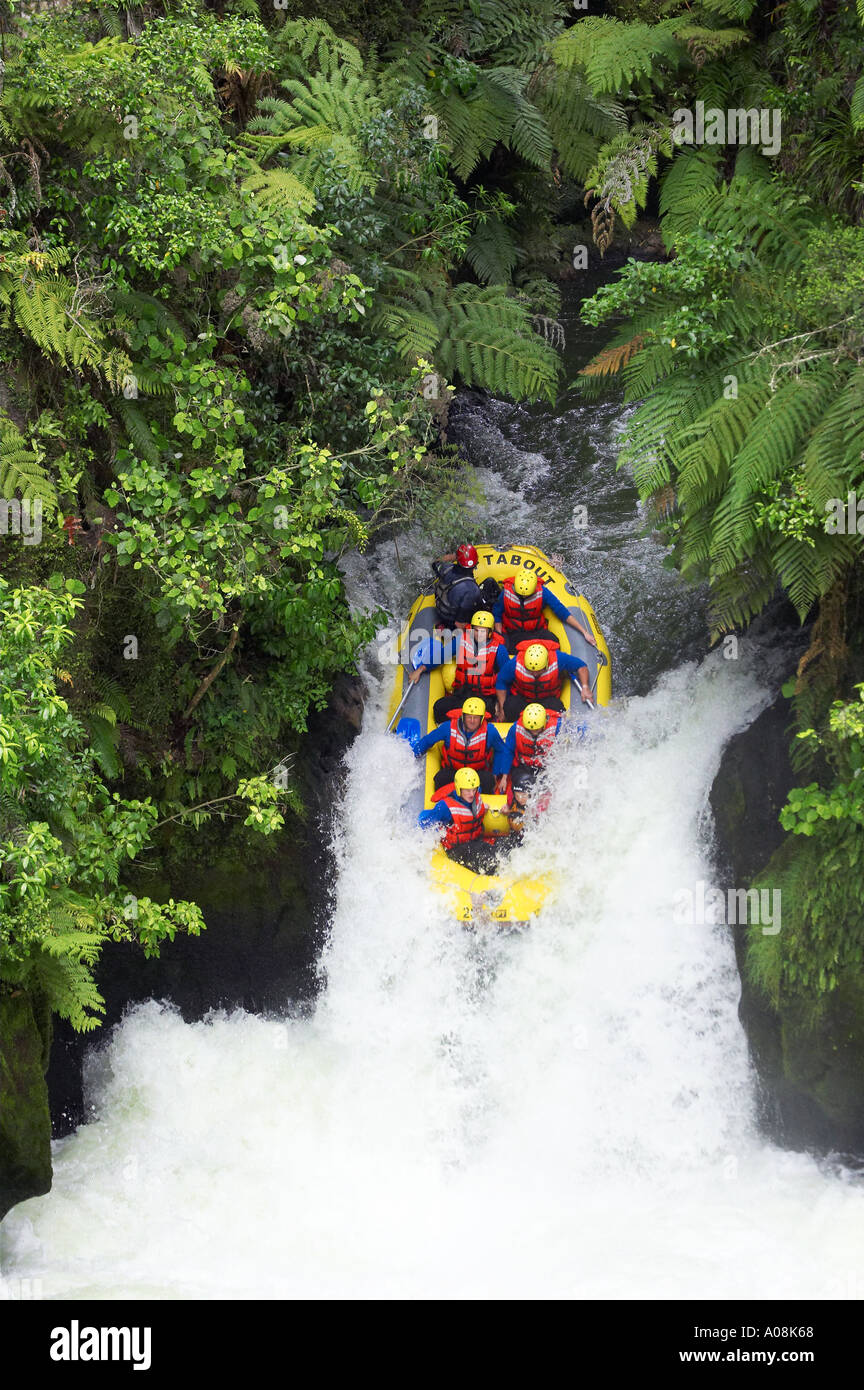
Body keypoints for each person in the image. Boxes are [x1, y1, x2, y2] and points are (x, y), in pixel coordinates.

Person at [409, 610, 508, 720]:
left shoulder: (499, 649)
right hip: (462, 693)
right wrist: (421, 669)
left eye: (483, 631)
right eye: (476, 630)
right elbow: (441, 656)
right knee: (439, 708)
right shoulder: (461, 640)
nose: (478, 634)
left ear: (490, 632)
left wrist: (501, 705)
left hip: (485, 697)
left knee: (481, 716)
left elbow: (505, 679)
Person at [411, 696, 507, 793]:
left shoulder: (490, 731)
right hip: (454, 771)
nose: (472, 721)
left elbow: (501, 750)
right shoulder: (447, 727)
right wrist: (412, 757)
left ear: (482, 718)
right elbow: (428, 740)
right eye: (469, 716)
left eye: (476, 717)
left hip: (477, 773)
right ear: (463, 716)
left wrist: (495, 773)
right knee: (440, 779)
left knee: (488, 781)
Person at [493, 568, 598, 653]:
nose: (523, 597)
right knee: (503, 650)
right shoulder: (506, 593)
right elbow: (497, 615)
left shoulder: (543, 592)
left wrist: (584, 632)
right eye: (520, 595)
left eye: (526, 596)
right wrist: (499, 635)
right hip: (513, 633)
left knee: (554, 643)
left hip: (535, 632)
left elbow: (562, 612)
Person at [418, 766, 498, 874]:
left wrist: (483, 807)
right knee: (487, 859)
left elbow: (473, 811)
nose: (471, 794)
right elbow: (424, 821)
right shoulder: (445, 807)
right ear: (458, 788)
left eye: (474, 789)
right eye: (468, 790)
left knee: (499, 850)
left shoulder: (476, 794)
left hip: (475, 840)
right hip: (456, 848)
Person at [495, 639, 592, 722]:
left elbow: (581, 666)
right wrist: (502, 708)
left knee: (558, 710)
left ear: (546, 663)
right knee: (510, 706)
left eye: (538, 671)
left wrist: (585, 687)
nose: (535, 674)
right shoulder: (515, 663)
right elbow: (501, 681)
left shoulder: (558, 658)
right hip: (524, 699)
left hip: (547, 700)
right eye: (531, 671)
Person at [495, 702, 562, 786]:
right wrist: (504, 777)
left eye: (537, 729)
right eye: (530, 730)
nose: (533, 733)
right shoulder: (516, 728)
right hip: (523, 767)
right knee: (523, 783)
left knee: (547, 784)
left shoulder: (558, 726)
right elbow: (508, 751)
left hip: (546, 767)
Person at [432, 544, 484, 629]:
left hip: (442, 610)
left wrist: (453, 556)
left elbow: (435, 563)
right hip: (452, 622)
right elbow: (459, 623)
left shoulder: (446, 569)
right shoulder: (472, 590)